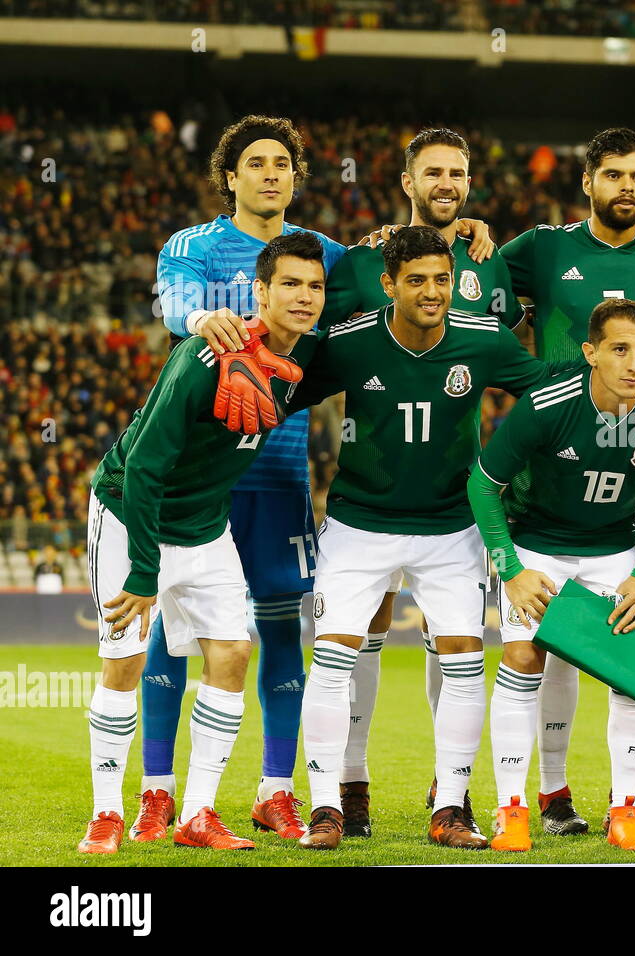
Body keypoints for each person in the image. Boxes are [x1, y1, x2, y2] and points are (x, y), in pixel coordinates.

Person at [284, 226, 570, 850]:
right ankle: (328, 807)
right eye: (416, 280)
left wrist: (613, 357)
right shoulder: (350, 344)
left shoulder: (483, 340)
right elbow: (280, 389)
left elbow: (551, 385)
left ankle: (450, 808)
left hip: (452, 528)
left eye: (441, 279)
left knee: (465, 662)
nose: (433, 291)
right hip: (360, 524)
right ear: (388, 285)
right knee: (333, 659)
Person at [78, 232, 323, 854]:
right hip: (134, 517)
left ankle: (197, 814)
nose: (304, 297)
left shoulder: (298, 365)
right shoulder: (205, 356)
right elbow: (142, 470)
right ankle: (106, 814)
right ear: (259, 291)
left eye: (314, 286)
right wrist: (142, 572)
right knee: (125, 661)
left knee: (233, 654)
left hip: (206, 526)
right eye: (289, 284)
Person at [142, 116, 346, 844]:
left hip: (280, 472)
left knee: (281, 628)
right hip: (199, 474)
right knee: (172, 631)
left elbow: (386, 293)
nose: (270, 173)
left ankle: (275, 790)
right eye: (255, 163)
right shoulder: (192, 247)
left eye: (282, 162)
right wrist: (207, 318)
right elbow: (172, 307)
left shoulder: (324, 254)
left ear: (295, 175)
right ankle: (159, 791)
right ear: (230, 176)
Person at [319, 127, 522, 838]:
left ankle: (450, 789)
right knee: (360, 631)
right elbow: (319, 336)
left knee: (454, 639)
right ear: (407, 183)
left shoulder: (490, 261)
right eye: (432, 172)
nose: (446, 183)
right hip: (367, 495)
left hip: (452, 501)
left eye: (457, 173)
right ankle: (349, 783)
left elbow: (510, 363)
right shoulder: (361, 260)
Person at [467, 297, 635, 852]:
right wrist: (513, 570)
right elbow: (483, 483)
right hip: (536, 549)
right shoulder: (547, 404)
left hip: (614, 552)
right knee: (524, 657)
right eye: (619, 350)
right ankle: (511, 810)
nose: (634, 364)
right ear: (590, 352)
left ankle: (625, 811)